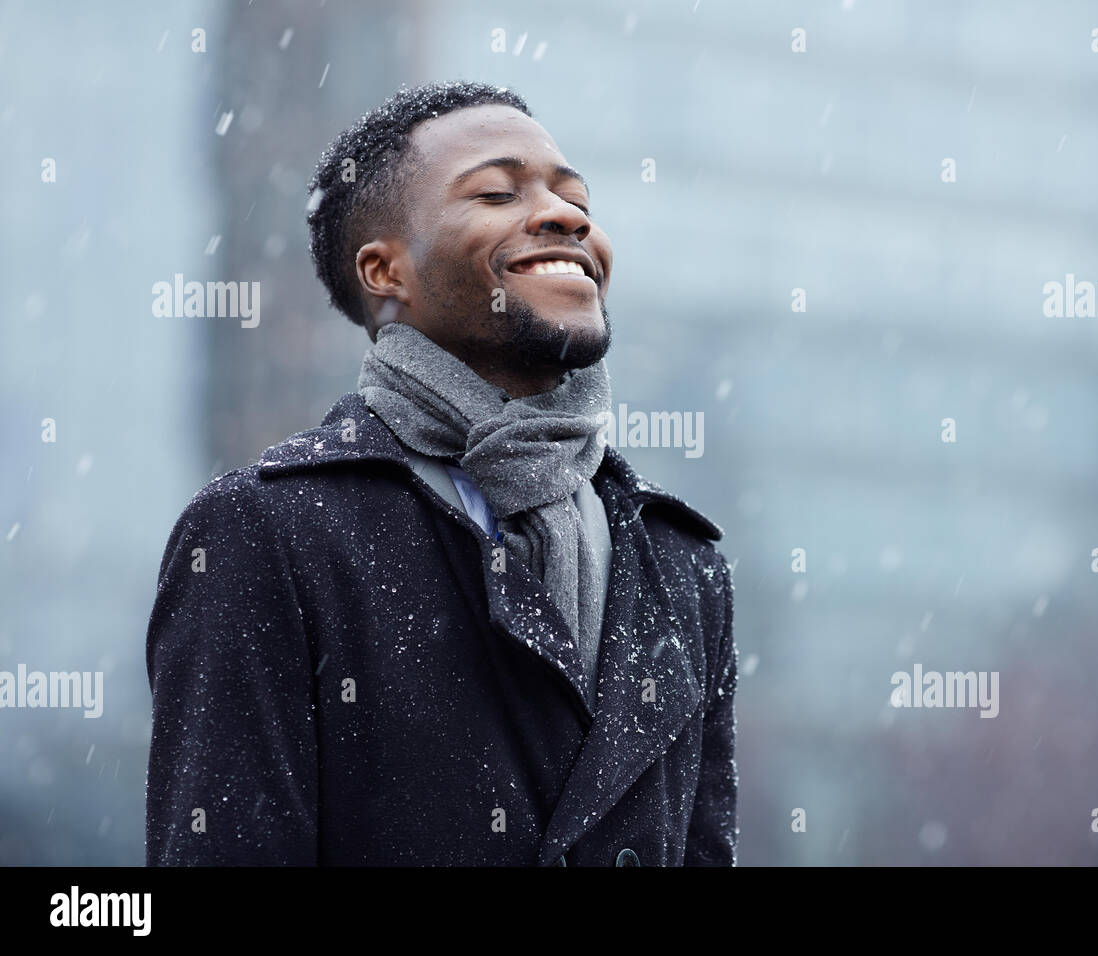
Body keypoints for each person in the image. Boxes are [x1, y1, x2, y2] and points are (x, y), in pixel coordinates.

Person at [144, 80, 738, 866]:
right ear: (385, 272)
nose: (568, 218)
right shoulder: (265, 536)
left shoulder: (682, 561)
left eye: (576, 199)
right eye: (495, 193)